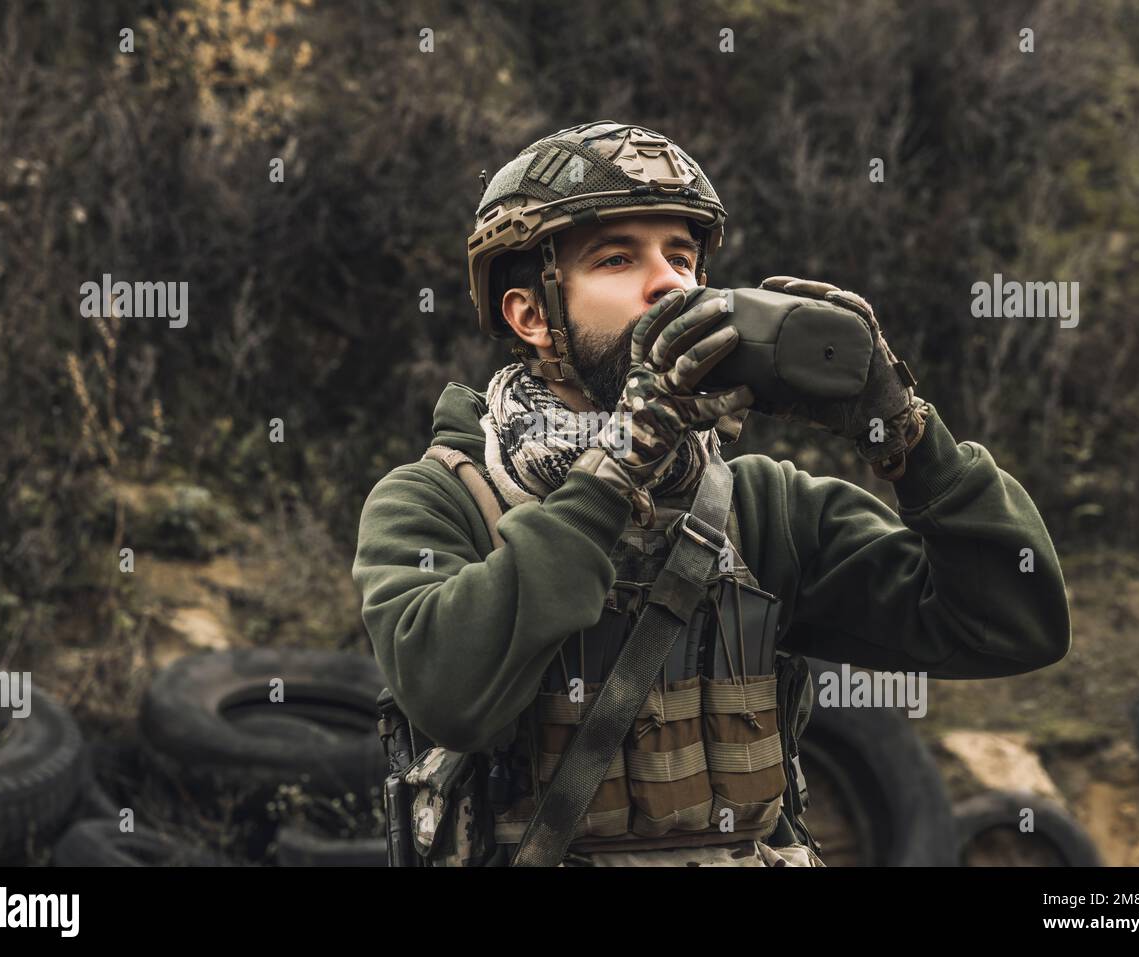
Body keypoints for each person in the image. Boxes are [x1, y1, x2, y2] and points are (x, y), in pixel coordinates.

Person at [352, 121, 1071, 867]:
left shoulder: (755, 509)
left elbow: (1011, 623)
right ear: (531, 315)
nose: (670, 281)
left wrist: (905, 434)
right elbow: (450, 692)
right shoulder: (439, 502)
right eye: (618, 257)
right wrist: (618, 461)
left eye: (683, 257)